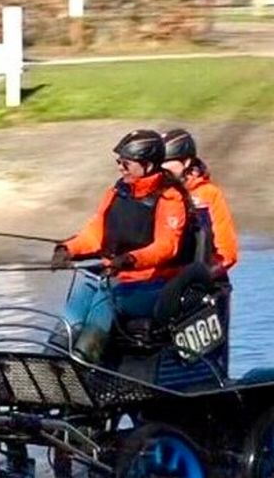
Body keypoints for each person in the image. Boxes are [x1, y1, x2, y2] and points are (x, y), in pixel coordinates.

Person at [50, 129, 188, 362]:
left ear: (148, 164)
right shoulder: (116, 193)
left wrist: (130, 259)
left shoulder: (170, 198)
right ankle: (55, 359)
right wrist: (68, 249)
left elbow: (167, 246)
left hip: (154, 285)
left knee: (105, 297)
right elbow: (96, 234)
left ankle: (84, 362)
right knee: (83, 289)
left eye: (126, 163)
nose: (120, 167)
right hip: (117, 279)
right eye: (119, 162)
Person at [161, 128, 239, 275]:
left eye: (165, 162)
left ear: (186, 162)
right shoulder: (153, 193)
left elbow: (227, 254)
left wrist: (199, 277)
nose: (160, 167)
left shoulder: (208, 194)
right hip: (161, 281)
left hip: (203, 281)